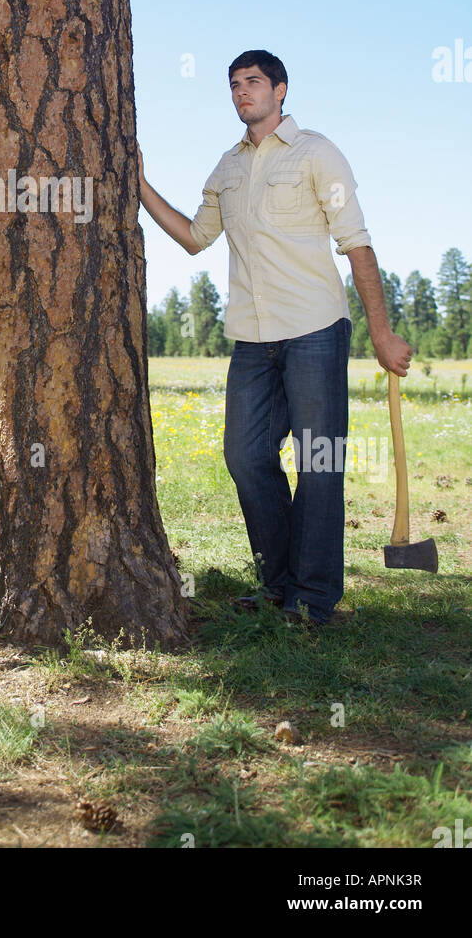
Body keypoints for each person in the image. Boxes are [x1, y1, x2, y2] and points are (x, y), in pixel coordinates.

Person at [137, 49, 412, 628]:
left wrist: (381, 334)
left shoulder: (317, 153)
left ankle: (312, 598)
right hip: (252, 340)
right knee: (245, 456)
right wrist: (138, 184)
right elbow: (194, 237)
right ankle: (278, 582)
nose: (242, 93)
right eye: (234, 84)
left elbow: (357, 244)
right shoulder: (226, 168)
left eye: (254, 82)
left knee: (319, 463)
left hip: (314, 330)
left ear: (281, 90)